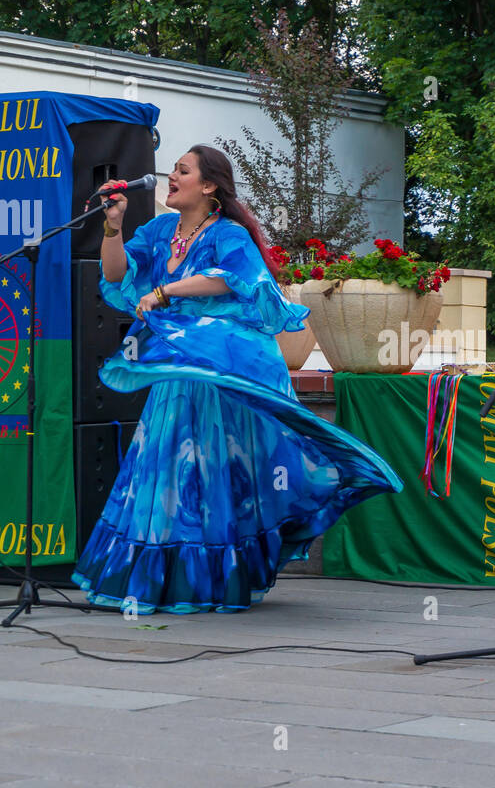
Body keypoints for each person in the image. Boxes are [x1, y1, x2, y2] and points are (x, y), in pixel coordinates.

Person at [72, 145, 402, 614]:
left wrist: (166, 290)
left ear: (209, 186)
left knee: (206, 473)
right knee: (164, 468)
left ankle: (208, 580)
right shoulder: (161, 230)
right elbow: (116, 273)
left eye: (182, 171)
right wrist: (113, 226)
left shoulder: (228, 234)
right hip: (179, 368)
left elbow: (232, 279)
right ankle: (162, 579)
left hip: (219, 371)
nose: (171, 176)